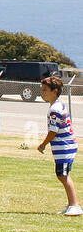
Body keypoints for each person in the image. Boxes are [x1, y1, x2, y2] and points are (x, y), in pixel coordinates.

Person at [37, 76, 81, 216]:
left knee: (62, 175)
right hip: (65, 145)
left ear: (55, 91)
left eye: (45, 90)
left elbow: (53, 131)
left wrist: (43, 144)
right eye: (42, 89)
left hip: (64, 146)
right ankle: (71, 204)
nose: (42, 92)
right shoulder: (57, 105)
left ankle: (74, 205)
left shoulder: (55, 109)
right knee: (62, 174)